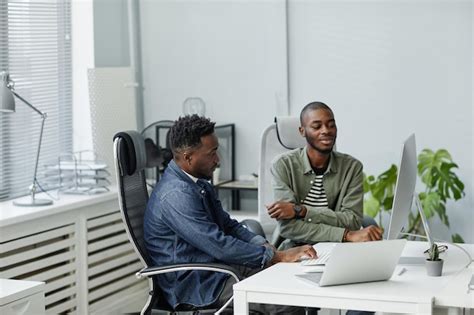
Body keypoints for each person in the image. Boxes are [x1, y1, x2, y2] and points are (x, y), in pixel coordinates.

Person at [144, 115, 316, 314]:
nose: (218, 160)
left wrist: (261, 244)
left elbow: (228, 225)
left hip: (218, 269)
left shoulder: (197, 183)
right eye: (212, 153)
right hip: (199, 286)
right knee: (286, 301)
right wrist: (274, 256)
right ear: (188, 157)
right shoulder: (176, 195)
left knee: (293, 280)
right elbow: (218, 244)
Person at [267, 101, 383, 249]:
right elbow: (289, 228)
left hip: (339, 248)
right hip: (294, 249)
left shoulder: (352, 167)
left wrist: (302, 211)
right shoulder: (282, 165)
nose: (326, 130)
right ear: (302, 131)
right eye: (316, 126)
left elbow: (352, 220)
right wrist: (345, 234)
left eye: (331, 125)